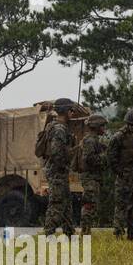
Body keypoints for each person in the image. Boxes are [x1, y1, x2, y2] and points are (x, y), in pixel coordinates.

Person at [39, 98, 77, 235]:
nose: (73, 113)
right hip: (57, 171)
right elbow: (56, 153)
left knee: (66, 202)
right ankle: (48, 234)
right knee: (57, 203)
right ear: (65, 111)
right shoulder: (59, 129)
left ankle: (69, 233)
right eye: (71, 110)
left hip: (59, 170)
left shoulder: (55, 126)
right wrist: (71, 152)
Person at [108, 109, 133, 239]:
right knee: (121, 206)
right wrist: (119, 172)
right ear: (128, 124)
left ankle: (132, 233)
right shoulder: (119, 136)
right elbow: (111, 157)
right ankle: (118, 233)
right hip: (124, 176)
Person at [73, 114, 109, 235]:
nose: (104, 129)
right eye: (103, 126)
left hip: (93, 177)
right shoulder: (90, 140)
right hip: (90, 177)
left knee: (92, 204)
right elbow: (89, 159)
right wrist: (105, 156)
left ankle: (86, 230)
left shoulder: (93, 140)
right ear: (96, 127)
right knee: (89, 204)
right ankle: (85, 231)